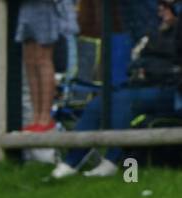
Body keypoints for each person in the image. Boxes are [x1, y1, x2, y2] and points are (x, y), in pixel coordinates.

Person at [53, 0, 182, 177]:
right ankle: (70, 162)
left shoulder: (175, 34)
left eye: (166, 8)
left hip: (172, 90)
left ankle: (113, 160)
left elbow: (171, 62)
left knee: (123, 102)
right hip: (147, 84)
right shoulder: (156, 32)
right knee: (100, 103)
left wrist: (151, 70)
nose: (161, 12)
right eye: (159, 7)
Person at [15, 0, 78, 132]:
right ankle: (36, 117)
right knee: (30, 61)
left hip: (47, 7)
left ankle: (45, 118)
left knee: (42, 58)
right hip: (25, 7)